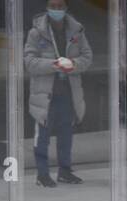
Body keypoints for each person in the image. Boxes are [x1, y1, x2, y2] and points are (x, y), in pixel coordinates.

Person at [24, 0, 93, 188]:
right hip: (46, 96)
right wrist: (53, 65)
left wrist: (73, 64)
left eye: (59, 7)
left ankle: (65, 171)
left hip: (68, 94)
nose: (56, 10)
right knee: (42, 138)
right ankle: (42, 174)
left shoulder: (77, 31)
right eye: (52, 7)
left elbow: (87, 57)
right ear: (47, 8)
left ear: (66, 8)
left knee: (66, 136)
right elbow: (29, 62)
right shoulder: (36, 33)